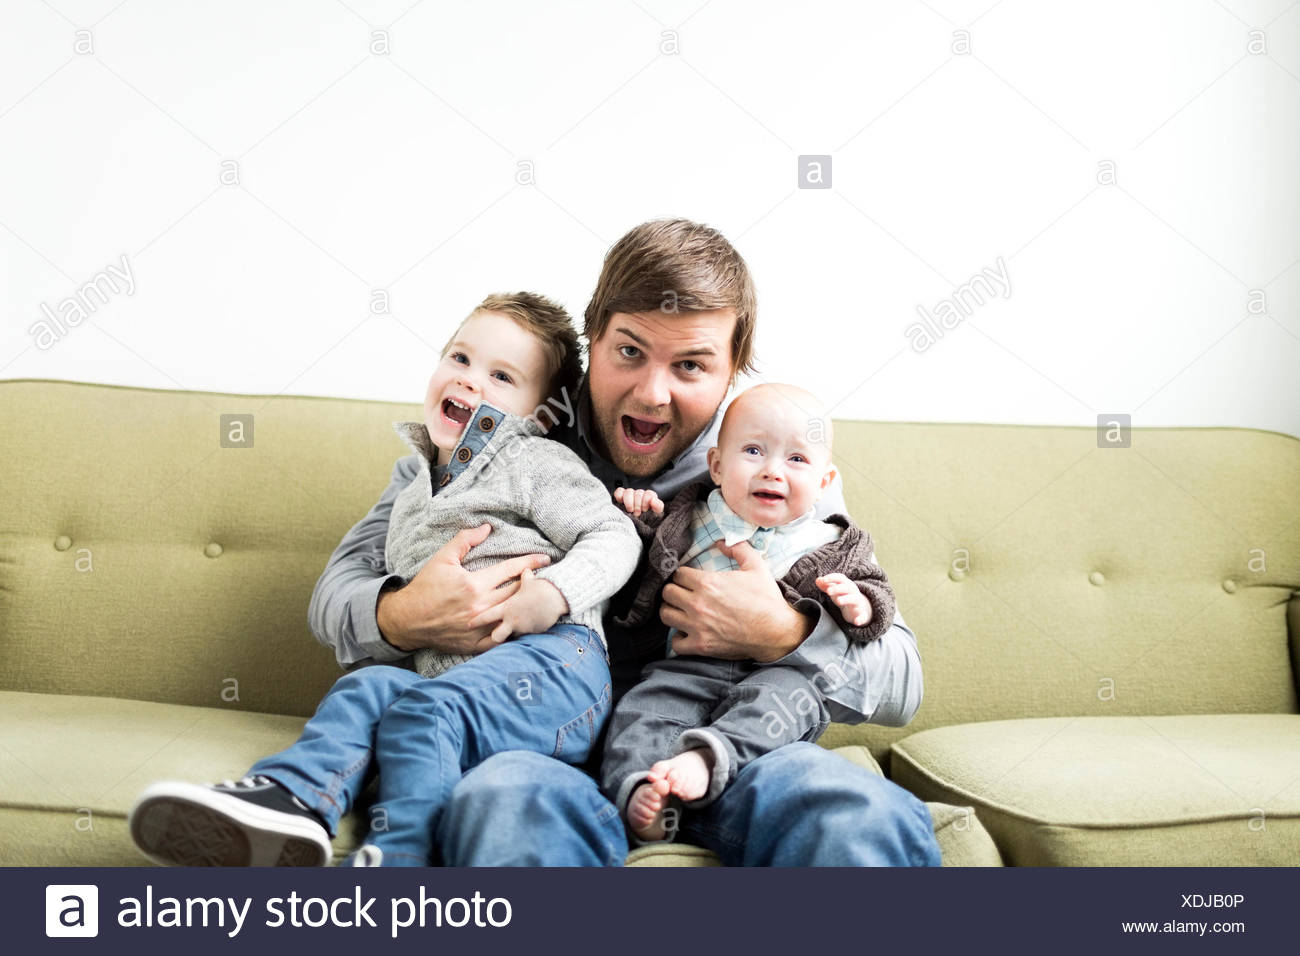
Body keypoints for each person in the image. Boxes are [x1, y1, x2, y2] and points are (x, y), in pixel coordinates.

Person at [313, 219, 940, 866]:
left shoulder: (768, 468)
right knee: (503, 802)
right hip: (536, 753)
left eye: (691, 365)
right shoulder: (504, 431)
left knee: (855, 808)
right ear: (594, 340)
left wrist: (783, 631)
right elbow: (336, 592)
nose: (652, 393)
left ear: (732, 376)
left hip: (717, 752)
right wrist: (403, 612)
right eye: (630, 352)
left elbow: (901, 682)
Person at [128, 293, 641, 866]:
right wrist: (403, 612)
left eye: (501, 376)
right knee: (364, 690)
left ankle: (399, 856)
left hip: (553, 664)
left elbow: (615, 535)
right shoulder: (413, 483)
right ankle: (293, 801)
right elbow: (338, 592)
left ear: (538, 416)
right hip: (451, 679)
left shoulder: (535, 463)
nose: (470, 381)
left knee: (427, 711)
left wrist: (553, 594)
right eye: (460, 358)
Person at [603, 382, 896, 842]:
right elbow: (645, 566)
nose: (773, 472)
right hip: (685, 668)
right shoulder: (691, 514)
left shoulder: (834, 542)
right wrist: (640, 519)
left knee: (788, 704)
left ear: (824, 482)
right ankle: (643, 787)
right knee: (642, 710)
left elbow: (876, 591)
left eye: (797, 459)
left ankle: (709, 757)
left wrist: (860, 604)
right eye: (754, 451)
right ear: (717, 466)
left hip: (775, 674)